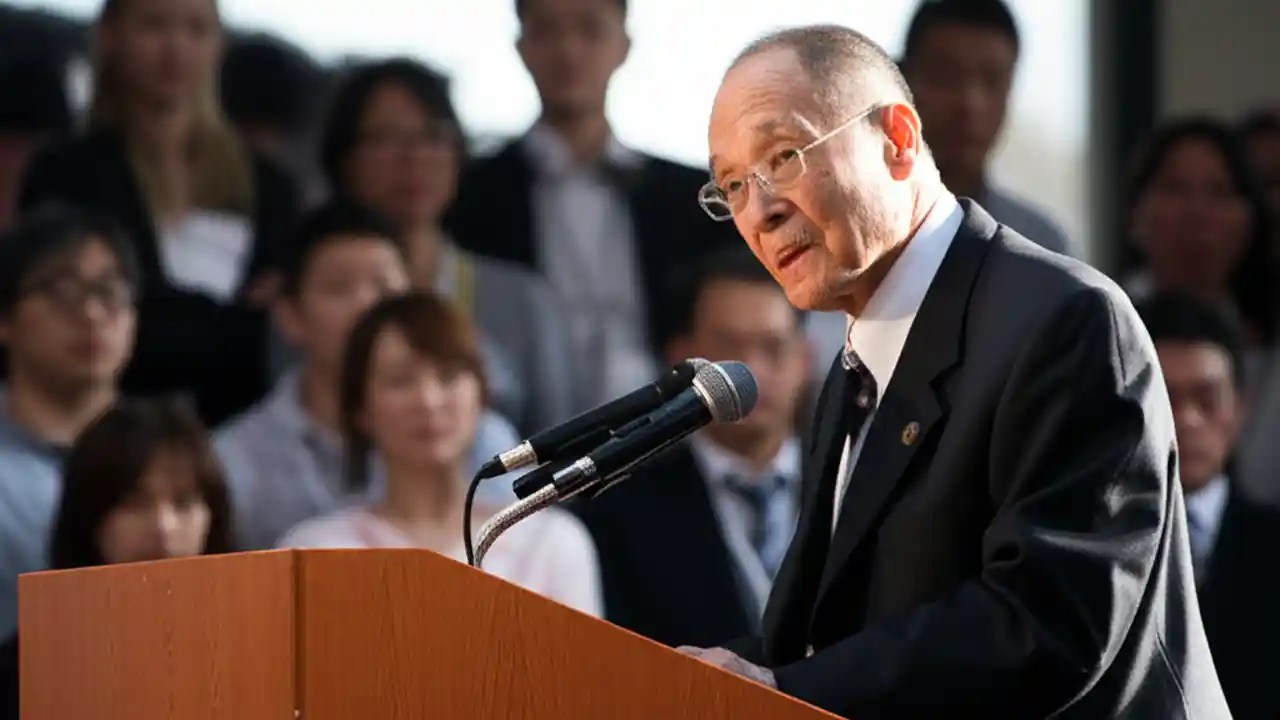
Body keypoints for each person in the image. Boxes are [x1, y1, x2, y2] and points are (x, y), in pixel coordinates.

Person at [677, 24, 1228, 717]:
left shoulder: (1064, 321)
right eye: (732, 186)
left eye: (783, 156)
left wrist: (786, 691)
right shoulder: (856, 361)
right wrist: (721, 677)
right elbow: (836, 634)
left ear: (899, 140)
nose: (760, 210)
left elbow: (1046, 621)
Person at [18, 0, 301, 427]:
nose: (176, 48)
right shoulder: (67, 171)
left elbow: (281, 323)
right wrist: (236, 322)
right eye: (154, 26)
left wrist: (168, 315)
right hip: (104, 428)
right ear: (110, 36)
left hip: (242, 429)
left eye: (196, 29)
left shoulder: (270, 186)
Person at [446, 0, 737, 410]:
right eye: (547, 30)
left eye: (590, 29)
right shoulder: (471, 196)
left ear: (623, 45)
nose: (569, 50)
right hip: (523, 433)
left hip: (673, 432)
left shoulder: (691, 198)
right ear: (522, 46)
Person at [215, 201, 520, 550]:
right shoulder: (234, 460)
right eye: (338, 288)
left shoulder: (482, 437)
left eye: (384, 286)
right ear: (291, 315)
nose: (366, 305)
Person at [278, 293, 602, 617]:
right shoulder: (318, 551)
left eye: (448, 377)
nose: (429, 401)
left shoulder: (549, 541)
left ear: (481, 394)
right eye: (400, 380)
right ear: (360, 408)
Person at [321, 58, 576, 433]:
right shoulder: (315, 296)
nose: (412, 159)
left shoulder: (523, 301)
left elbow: (564, 447)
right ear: (345, 159)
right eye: (385, 138)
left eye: (432, 136)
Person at [577, 246, 811, 648]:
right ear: (680, 359)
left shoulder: (857, 480)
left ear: (805, 360)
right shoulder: (619, 507)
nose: (752, 370)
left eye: (772, 347)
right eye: (728, 347)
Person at [1, 396, 235, 720]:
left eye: (183, 503)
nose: (163, 528)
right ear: (91, 516)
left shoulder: (250, 648)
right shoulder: (27, 668)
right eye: (135, 504)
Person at [1138, 292, 1280, 720]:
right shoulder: (1074, 547)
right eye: (1164, 398)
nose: (1186, 420)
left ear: (1240, 409)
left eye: (1207, 398)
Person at [0, 205, 137, 642]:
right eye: (62, 290)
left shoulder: (169, 453)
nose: (92, 313)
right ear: (6, 320)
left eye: (110, 291)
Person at [900, 0, 1071, 256]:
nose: (970, 103)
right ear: (903, 81)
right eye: (946, 76)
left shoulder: (1039, 247)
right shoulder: (853, 232)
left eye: (992, 80)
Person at [1121, 118, 1276, 351]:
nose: (1197, 213)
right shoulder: (1097, 323)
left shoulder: (1268, 342)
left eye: (1220, 191)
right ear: (1134, 213)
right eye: (1175, 188)